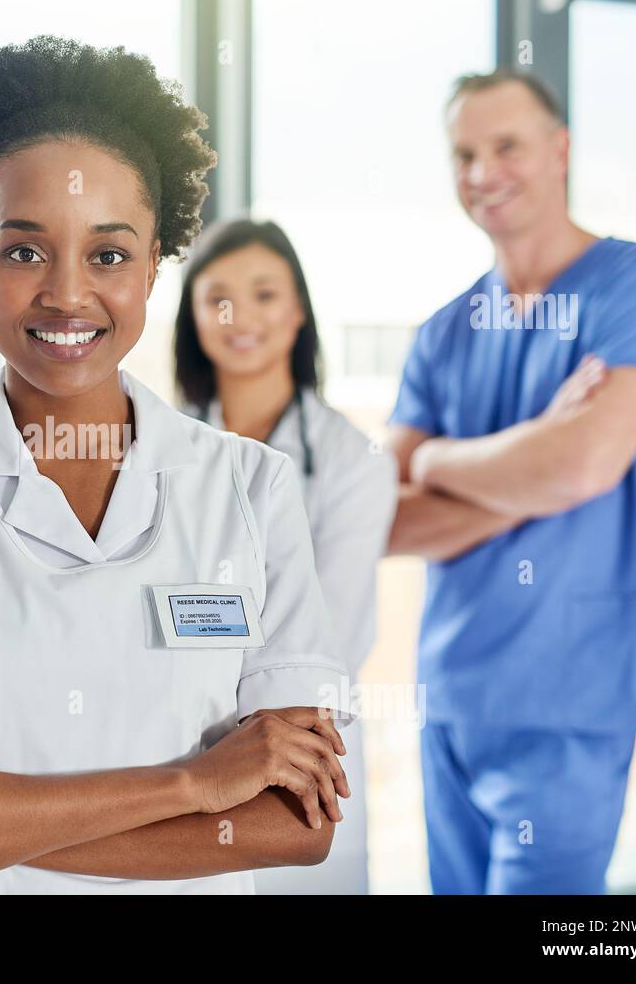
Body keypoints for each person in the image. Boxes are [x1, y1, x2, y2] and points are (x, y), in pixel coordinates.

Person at [0, 35, 356, 894]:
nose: (66, 292)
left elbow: (295, 824)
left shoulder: (250, 488)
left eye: (109, 253)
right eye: (21, 251)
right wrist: (193, 785)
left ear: (155, 262)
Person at [386, 71, 636, 894]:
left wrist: (433, 461)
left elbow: (584, 465)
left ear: (559, 151)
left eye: (506, 146)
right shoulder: (441, 334)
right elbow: (381, 523)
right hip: (453, 696)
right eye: (463, 153)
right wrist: (532, 464)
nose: (482, 171)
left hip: (573, 694)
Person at [174, 218, 397, 893]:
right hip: (176, 752)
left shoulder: (352, 461)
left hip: (301, 757)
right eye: (218, 298)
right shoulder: (156, 450)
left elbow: (327, 639)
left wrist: (193, 631)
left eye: (265, 294)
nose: (240, 317)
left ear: (298, 309)